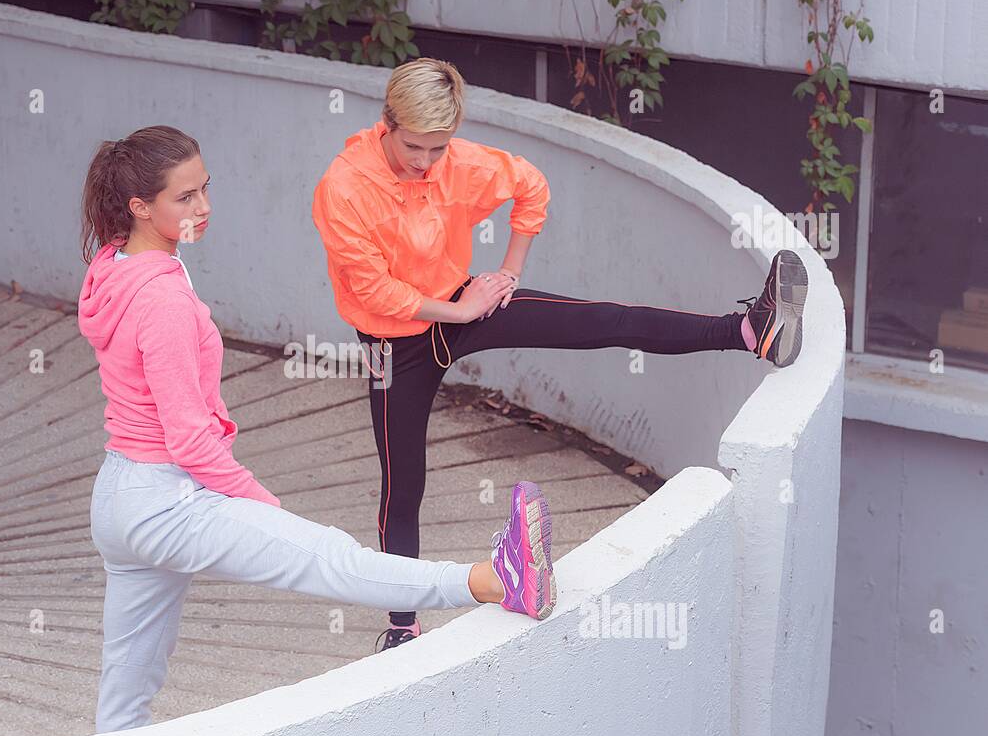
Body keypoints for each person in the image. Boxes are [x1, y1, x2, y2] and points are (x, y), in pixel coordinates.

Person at [311, 57, 808, 652]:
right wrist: (462, 311)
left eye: (438, 149)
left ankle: (750, 332)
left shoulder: (462, 165)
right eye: (415, 146)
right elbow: (374, 291)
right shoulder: (345, 187)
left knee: (602, 321)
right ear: (386, 123)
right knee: (402, 482)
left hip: (464, 305)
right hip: (396, 345)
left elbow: (530, 187)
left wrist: (508, 275)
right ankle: (402, 627)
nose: (425, 162)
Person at [78, 126, 556, 734]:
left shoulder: (115, 266)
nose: (204, 208)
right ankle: (493, 579)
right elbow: (190, 437)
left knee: (124, 704)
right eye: (185, 197)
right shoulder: (162, 300)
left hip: (120, 499)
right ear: (139, 208)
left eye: (206, 188)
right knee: (327, 556)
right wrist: (264, 509)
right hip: (164, 499)